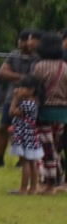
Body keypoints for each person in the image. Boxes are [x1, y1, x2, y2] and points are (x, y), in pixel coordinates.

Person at [0, 30, 41, 169]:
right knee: (3, 127)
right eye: (21, 40)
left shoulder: (37, 58)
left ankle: (23, 160)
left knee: (25, 130)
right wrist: (23, 79)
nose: (22, 43)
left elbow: (33, 78)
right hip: (12, 97)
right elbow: (2, 72)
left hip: (29, 100)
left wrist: (14, 76)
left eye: (25, 40)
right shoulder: (13, 54)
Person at [33, 33, 67, 190]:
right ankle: (57, 180)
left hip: (44, 111)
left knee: (46, 149)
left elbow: (33, 88)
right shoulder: (65, 67)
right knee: (56, 149)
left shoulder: (40, 66)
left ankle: (48, 183)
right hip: (62, 113)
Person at [8, 77, 43, 195]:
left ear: (31, 90)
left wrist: (15, 99)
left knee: (25, 162)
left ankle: (23, 189)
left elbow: (12, 112)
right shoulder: (35, 102)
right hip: (31, 134)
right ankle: (32, 188)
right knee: (32, 162)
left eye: (23, 88)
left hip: (24, 134)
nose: (20, 90)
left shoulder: (26, 104)